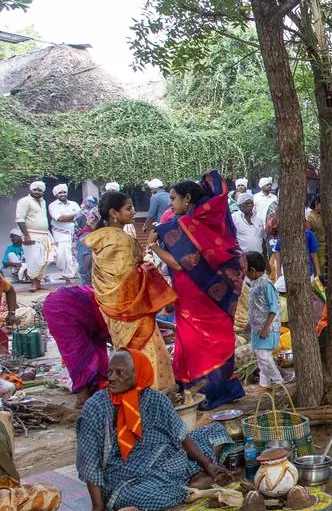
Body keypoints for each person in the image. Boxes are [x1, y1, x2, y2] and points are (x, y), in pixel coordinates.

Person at [69, 349, 232, 511]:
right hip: (127, 477)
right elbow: (89, 461)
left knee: (216, 430)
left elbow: (181, 435)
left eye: (120, 373)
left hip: (169, 459)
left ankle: (198, 475)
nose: (112, 378)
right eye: (110, 372)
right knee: (144, 499)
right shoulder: (96, 408)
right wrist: (97, 507)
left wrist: (208, 464)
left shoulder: (155, 399)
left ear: (138, 374)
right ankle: (194, 483)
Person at [148, 174, 246, 409]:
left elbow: (181, 263)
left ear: (187, 198)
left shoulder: (186, 226)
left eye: (173, 199)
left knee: (197, 342)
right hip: (209, 296)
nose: (169, 204)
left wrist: (152, 244)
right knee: (213, 340)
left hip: (198, 297)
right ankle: (221, 389)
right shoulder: (206, 221)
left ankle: (204, 392)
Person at [86, 191, 176, 391]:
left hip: (112, 307)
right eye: (128, 208)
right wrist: (148, 267)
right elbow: (130, 278)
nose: (134, 212)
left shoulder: (100, 240)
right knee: (147, 351)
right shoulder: (122, 241)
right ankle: (153, 393)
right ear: (113, 213)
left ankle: (131, 395)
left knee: (124, 351)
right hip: (131, 308)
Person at [0, 419, 62, 511]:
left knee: (50, 494)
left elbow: (10, 475)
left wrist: (12, 495)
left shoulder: (2, 421)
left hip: (6, 495)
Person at [42, 285, 109, 407]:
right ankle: (83, 398)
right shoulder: (117, 311)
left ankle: (96, 389)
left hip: (89, 315)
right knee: (78, 356)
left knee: (99, 355)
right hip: (61, 310)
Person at [244, 252, 285, 389]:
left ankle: (278, 381)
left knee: (264, 357)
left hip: (267, 329)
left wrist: (266, 327)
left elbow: (273, 308)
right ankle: (264, 384)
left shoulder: (266, 285)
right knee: (261, 357)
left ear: (253, 270)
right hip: (258, 328)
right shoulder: (255, 283)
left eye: (245, 269)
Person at [15, 181, 53, 291]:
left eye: (40, 190)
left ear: (43, 192)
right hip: (31, 234)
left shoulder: (43, 201)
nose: (37, 192)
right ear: (30, 190)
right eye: (35, 189)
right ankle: (33, 283)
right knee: (34, 259)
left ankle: (38, 282)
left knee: (45, 260)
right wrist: (26, 236)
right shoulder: (24, 201)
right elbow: (20, 219)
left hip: (45, 235)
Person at [48, 184, 80, 284]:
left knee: (74, 256)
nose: (62, 194)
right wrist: (74, 216)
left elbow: (81, 216)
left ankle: (74, 279)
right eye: (60, 193)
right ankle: (67, 280)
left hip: (74, 234)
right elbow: (60, 219)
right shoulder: (53, 205)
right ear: (56, 195)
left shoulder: (73, 204)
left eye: (64, 192)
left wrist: (69, 217)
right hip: (60, 235)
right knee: (62, 257)